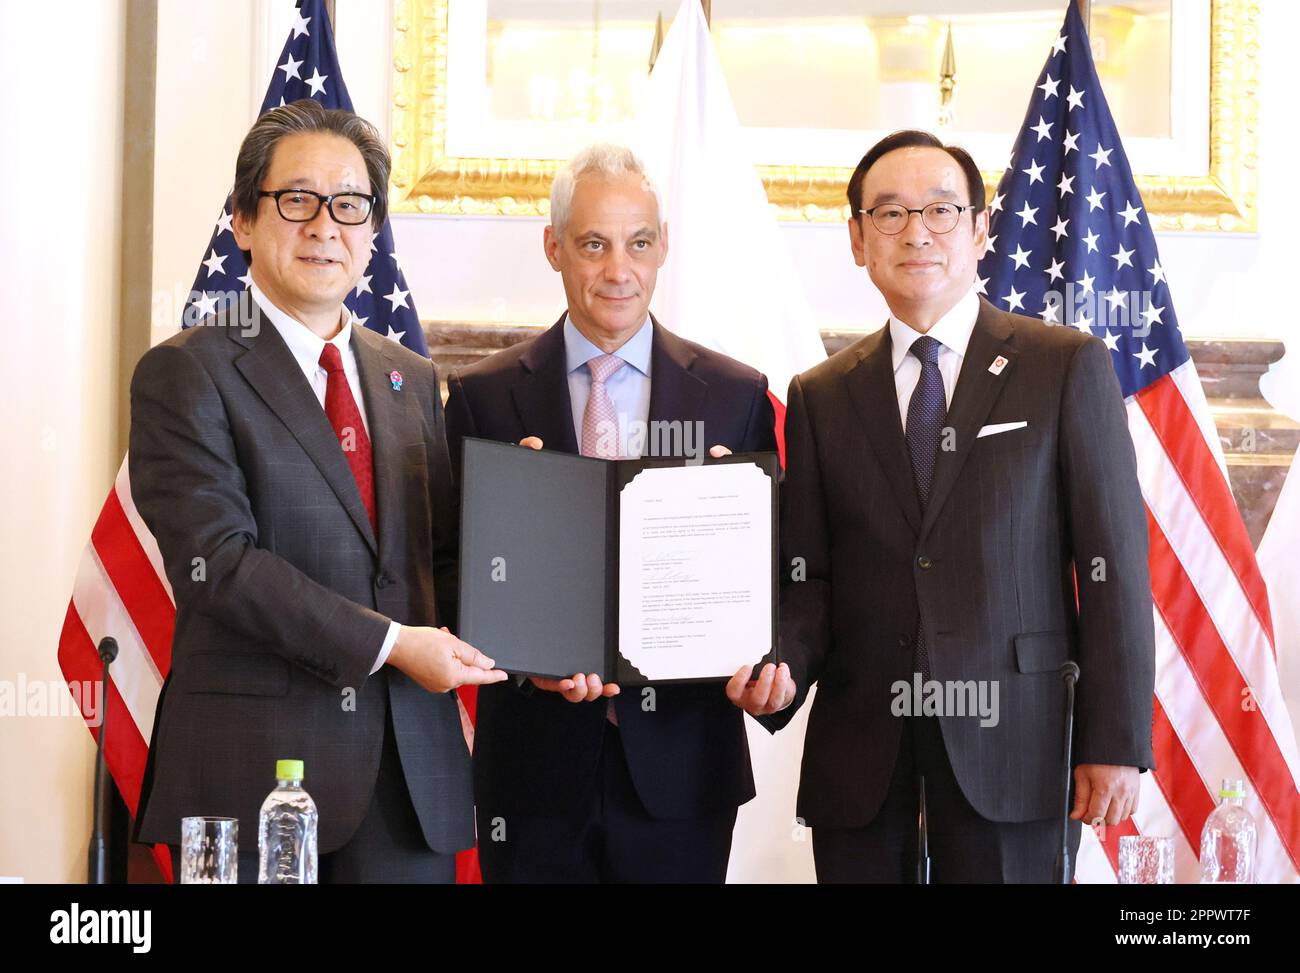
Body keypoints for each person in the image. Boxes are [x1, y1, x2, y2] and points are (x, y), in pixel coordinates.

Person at [729, 129, 1155, 883]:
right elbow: (812, 578)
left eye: (940, 210)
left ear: (981, 228)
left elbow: (1114, 565)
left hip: (1016, 745)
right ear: (858, 239)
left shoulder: (1063, 367)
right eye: (888, 215)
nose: (916, 231)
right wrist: (783, 665)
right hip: (863, 756)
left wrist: (1115, 740)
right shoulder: (822, 394)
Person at [129, 99, 506, 884]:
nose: (324, 226)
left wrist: (527, 542)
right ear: (241, 219)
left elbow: (436, 560)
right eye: (295, 200)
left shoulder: (409, 378)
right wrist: (393, 644)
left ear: (372, 230)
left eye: (350, 205)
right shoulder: (187, 372)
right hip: (254, 777)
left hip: (408, 783)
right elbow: (221, 565)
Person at [444, 143, 777, 883]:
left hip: (683, 772)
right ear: (554, 247)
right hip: (530, 769)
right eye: (593, 244)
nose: (618, 270)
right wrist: (525, 659)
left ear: (663, 250)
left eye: (639, 243)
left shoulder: (735, 394)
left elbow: (775, 570)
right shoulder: (482, 398)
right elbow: (443, 568)